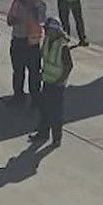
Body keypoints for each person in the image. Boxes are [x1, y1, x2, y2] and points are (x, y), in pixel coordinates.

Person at [31, 16, 74, 148]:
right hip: (47, 80)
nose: (45, 31)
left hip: (57, 84)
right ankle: (43, 133)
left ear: (55, 30)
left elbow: (68, 66)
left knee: (55, 112)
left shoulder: (63, 46)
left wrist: (60, 81)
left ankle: (56, 138)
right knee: (44, 109)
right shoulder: (47, 41)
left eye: (47, 29)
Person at [3, 0, 47, 107]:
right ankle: (18, 96)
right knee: (18, 71)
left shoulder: (38, 5)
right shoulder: (16, 3)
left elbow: (42, 21)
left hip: (31, 43)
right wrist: (13, 20)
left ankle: (35, 98)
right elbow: (9, 21)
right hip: (18, 40)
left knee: (34, 72)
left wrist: (33, 13)